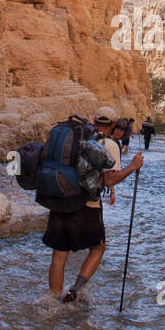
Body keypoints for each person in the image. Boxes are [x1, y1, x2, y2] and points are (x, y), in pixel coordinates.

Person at [43, 106, 142, 304]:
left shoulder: (78, 138)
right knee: (98, 248)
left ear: (94, 122)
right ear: (113, 124)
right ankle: (74, 291)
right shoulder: (110, 144)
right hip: (87, 205)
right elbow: (109, 180)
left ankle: (52, 301)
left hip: (60, 200)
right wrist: (133, 167)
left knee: (60, 254)